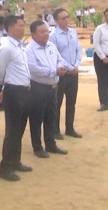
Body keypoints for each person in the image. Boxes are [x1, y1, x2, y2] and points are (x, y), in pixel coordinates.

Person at [0, 15, 33, 182]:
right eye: (20, 26)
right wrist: (7, 86)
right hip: (14, 92)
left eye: (23, 25)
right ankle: (6, 167)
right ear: (10, 28)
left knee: (19, 129)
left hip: (24, 91)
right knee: (12, 130)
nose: (23, 28)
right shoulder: (6, 48)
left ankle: (16, 161)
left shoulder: (20, 46)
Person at [26, 20, 69, 159]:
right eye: (42, 31)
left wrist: (60, 67)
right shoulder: (29, 50)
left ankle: (51, 144)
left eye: (47, 31)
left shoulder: (51, 46)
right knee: (37, 118)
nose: (46, 34)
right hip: (38, 88)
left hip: (53, 88)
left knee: (51, 117)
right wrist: (54, 71)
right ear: (33, 34)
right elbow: (34, 69)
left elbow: (60, 59)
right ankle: (37, 147)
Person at [49, 8, 82, 139]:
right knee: (57, 102)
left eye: (67, 17)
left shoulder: (73, 32)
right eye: (63, 18)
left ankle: (70, 128)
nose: (66, 20)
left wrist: (76, 65)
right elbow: (56, 55)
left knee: (71, 102)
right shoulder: (53, 36)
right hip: (62, 73)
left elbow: (78, 50)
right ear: (56, 21)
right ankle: (55, 130)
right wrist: (69, 67)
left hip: (73, 73)